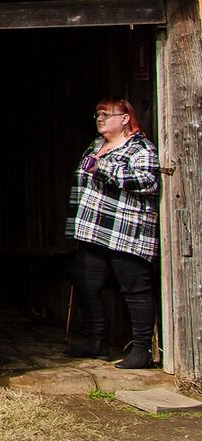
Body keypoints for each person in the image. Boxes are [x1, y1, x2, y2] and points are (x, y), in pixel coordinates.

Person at [66, 98, 162, 369]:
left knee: (135, 289)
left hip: (126, 232)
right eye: (97, 114)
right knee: (85, 282)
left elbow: (147, 182)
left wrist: (104, 169)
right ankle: (96, 342)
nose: (100, 118)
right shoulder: (97, 146)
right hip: (94, 230)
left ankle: (141, 350)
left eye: (106, 114)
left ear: (125, 119)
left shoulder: (140, 147)